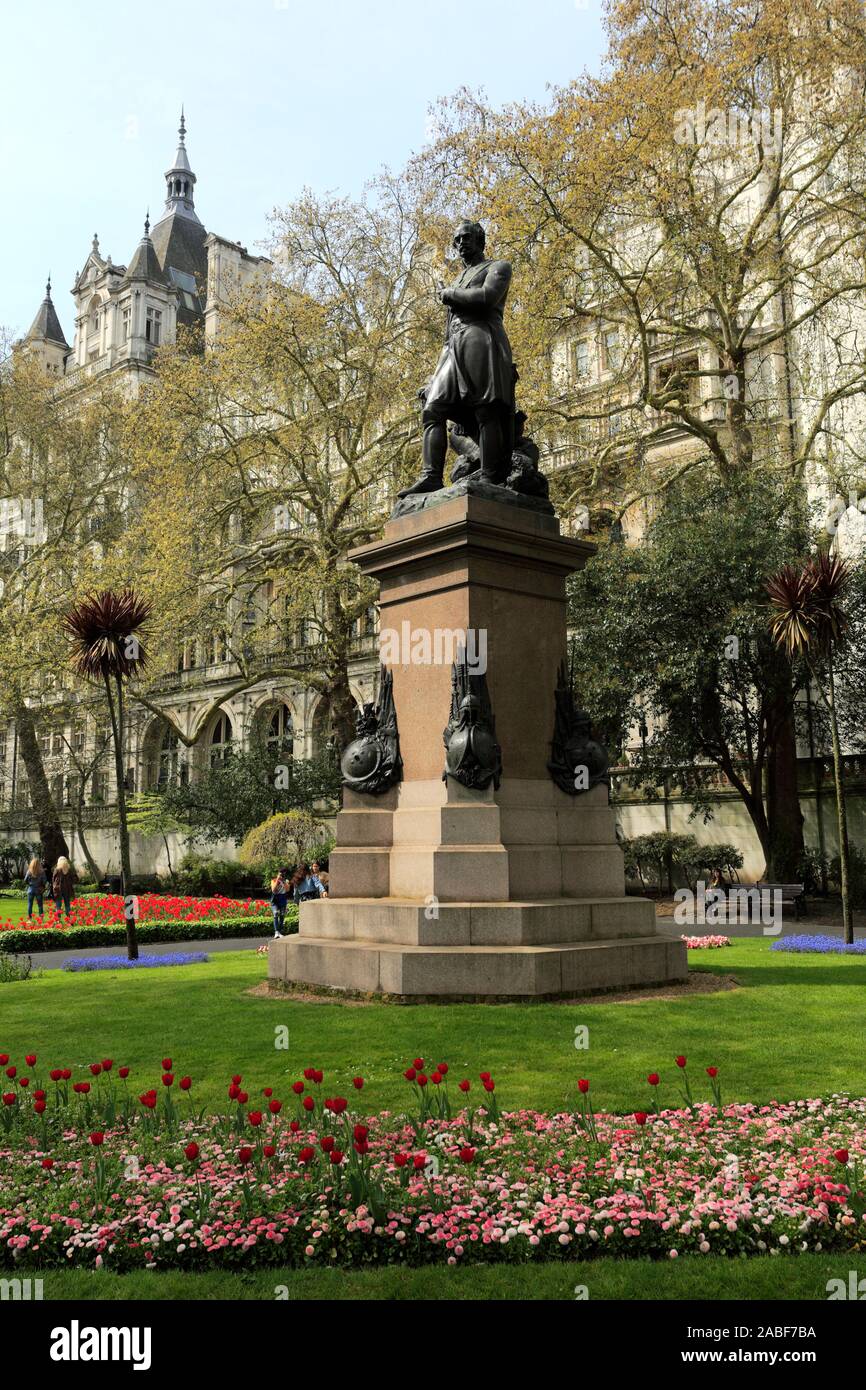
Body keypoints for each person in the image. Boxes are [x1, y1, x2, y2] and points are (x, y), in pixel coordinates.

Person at [398, 220, 515, 497]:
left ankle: (490, 475)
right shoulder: (457, 280)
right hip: (455, 345)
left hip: (481, 337)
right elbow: (447, 336)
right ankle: (431, 477)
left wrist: (449, 294)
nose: (461, 243)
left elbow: (487, 297)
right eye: (457, 240)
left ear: (480, 240)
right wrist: (434, 377)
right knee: (432, 408)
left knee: (486, 408)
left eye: (466, 237)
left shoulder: (498, 267)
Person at [270, 868, 289, 939]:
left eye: (282, 874)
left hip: (282, 899)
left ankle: (279, 932)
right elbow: (273, 890)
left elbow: (287, 889)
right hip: (275, 900)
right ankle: (276, 932)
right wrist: (277, 880)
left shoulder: (286, 881)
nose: (281, 875)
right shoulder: (273, 880)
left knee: (282, 915)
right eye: (280, 874)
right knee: (275, 913)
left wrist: (283, 882)